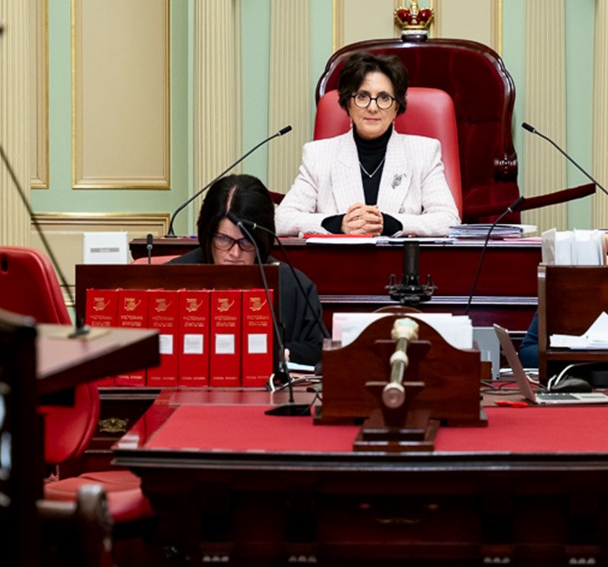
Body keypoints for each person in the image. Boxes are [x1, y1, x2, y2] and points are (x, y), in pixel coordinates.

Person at [274, 52, 460, 237]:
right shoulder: (319, 155)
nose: (372, 107)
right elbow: (282, 220)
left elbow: (449, 220)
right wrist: (339, 223)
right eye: (362, 96)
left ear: (397, 107)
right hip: (338, 261)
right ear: (348, 103)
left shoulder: (423, 152)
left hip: (401, 263)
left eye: (384, 98)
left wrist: (389, 223)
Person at [172, 174, 327, 370]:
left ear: (262, 241)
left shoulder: (293, 284)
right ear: (208, 235)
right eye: (224, 240)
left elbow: (319, 349)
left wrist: (278, 353)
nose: (235, 254)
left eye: (246, 242)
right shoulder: (173, 279)